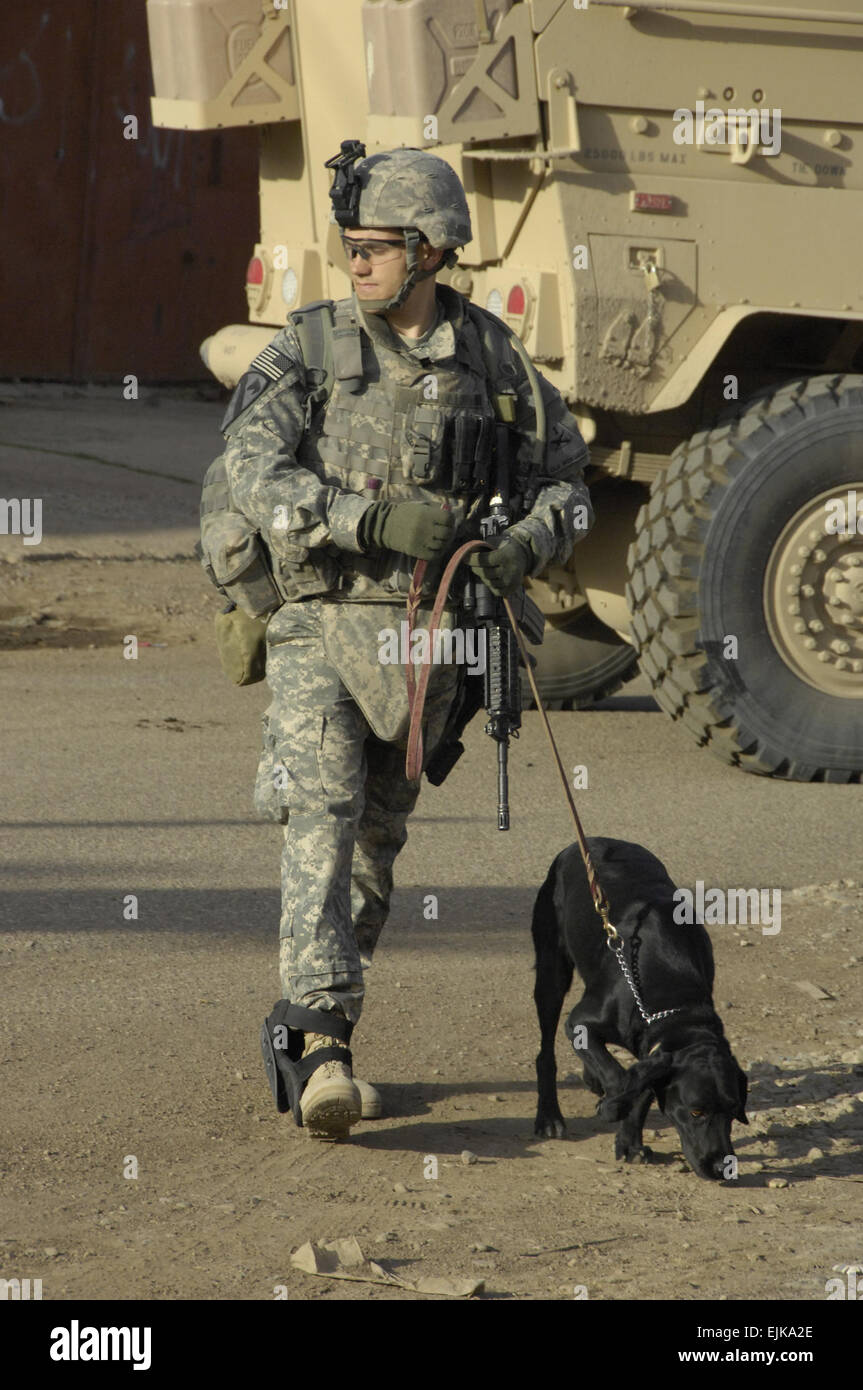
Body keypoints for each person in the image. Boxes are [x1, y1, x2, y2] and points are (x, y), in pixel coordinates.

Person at [210, 142, 593, 1140]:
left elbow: (566, 483)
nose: (357, 264)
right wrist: (360, 520)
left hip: (433, 647)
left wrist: (519, 544)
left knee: (375, 845)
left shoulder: (493, 359)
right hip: (320, 622)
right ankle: (321, 1043)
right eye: (349, 246)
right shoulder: (310, 347)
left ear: (429, 253)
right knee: (322, 813)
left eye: (377, 247)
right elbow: (247, 469)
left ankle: (317, 1021)